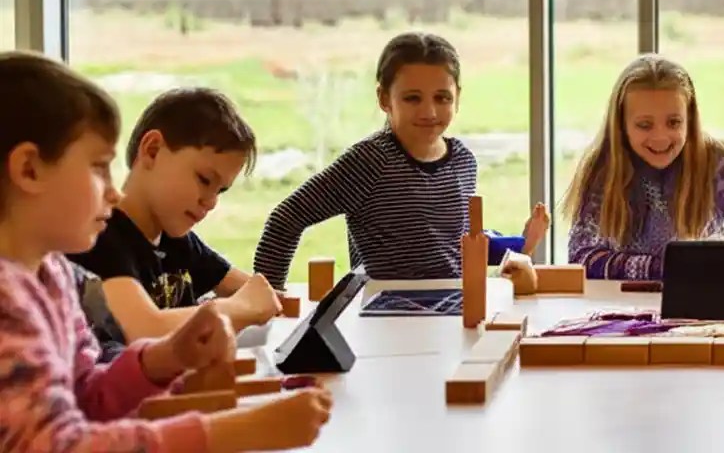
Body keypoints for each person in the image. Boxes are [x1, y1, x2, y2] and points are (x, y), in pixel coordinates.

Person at [0, 51, 330, 453]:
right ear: (30, 169)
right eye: (98, 167)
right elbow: (55, 445)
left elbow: (87, 398)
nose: (113, 190)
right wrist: (230, 433)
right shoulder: (7, 302)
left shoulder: (53, 275)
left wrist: (164, 358)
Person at [254, 32, 541, 288]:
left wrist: (519, 244)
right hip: (386, 323)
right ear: (384, 99)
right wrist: (269, 302)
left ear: (458, 98)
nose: (429, 111)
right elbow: (285, 219)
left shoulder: (463, 161)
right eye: (412, 98)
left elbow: (450, 243)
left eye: (442, 98)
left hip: (452, 317)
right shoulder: (369, 161)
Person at [70, 88, 281, 343]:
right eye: (204, 180)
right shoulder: (101, 237)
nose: (211, 201)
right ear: (152, 150)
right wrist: (239, 309)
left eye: (220, 190)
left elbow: (252, 291)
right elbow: (144, 330)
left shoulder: (178, 242)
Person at [562, 54, 724, 280]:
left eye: (674, 123)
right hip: (619, 310)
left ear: (690, 119)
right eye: (645, 125)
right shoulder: (604, 168)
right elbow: (581, 258)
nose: (660, 138)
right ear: (621, 125)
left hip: (703, 310)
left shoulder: (720, 163)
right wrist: (671, 267)